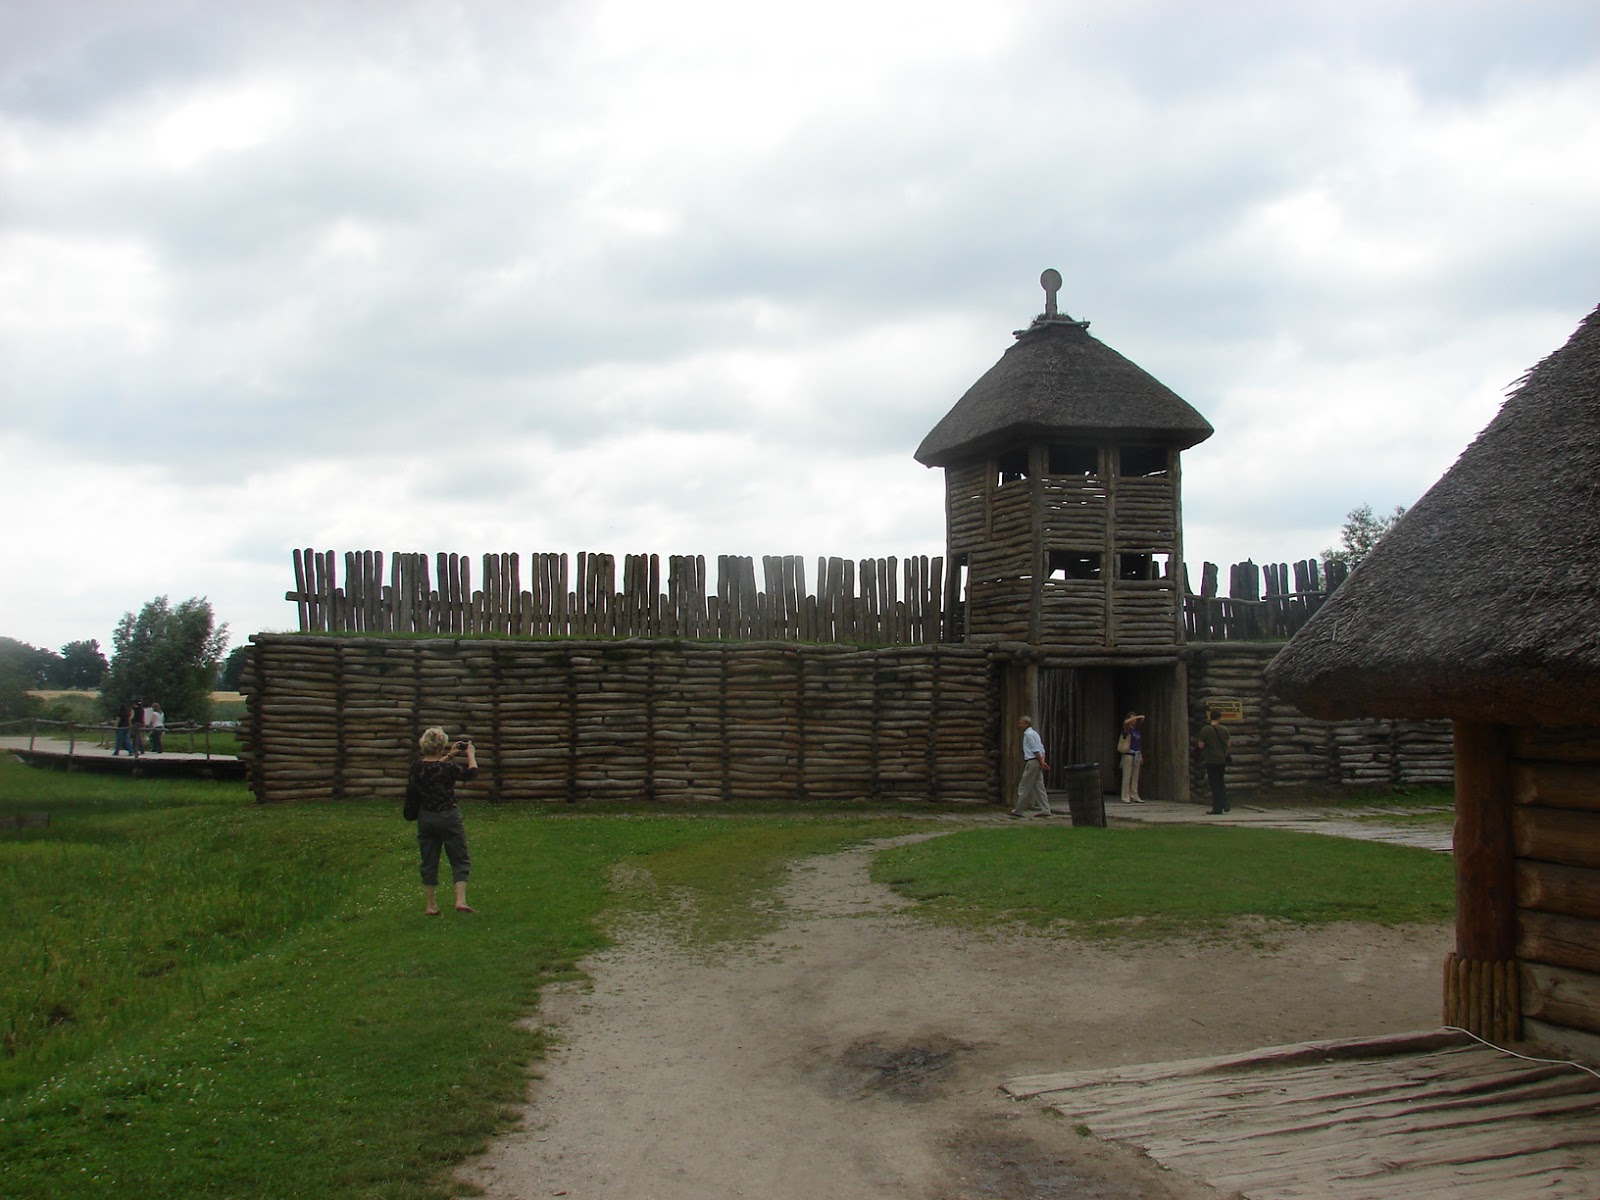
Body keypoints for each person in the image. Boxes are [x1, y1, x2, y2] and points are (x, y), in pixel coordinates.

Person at [409, 727, 478, 915]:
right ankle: (460, 900)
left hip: (426, 816)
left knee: (429, 859)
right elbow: (470, 774)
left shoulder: (417, 767)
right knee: (459, 857)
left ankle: (431, 905)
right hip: (448, 815)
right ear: (441, 745)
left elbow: (432, 768)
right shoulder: (448, 769)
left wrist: (449, 755)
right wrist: (470, 754)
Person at [1009, 715, 1053, 818]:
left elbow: (1035, 750)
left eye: (1021, 723)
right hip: (1038, 761)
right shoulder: (1035, 734)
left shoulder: (1028, 734)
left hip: (1032, 762)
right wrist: (1042, 761)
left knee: (1024, 786)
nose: (1019, 725)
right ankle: (1046, 809)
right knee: (1039, 787)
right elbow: (1042, 749)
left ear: (1026, 723)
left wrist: (1041, 763)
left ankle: (1018, 811)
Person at [1196, 709, 1232, 814]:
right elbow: (1229, 744)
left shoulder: (1205, 730)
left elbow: (1200, 745)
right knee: (1221, 782)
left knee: (1214, 784)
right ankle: (1225, 804)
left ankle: (1217, 808)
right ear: (1219, 718)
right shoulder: (1224, 729)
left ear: (1210, 717)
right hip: (1222, 760)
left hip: (1211, 760)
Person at [1118, 712, 1145, 804]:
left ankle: (1134, 795)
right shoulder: (1127, 730)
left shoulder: (1136, 731)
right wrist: (1137, 716)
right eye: (1132, 719)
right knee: (1127, 776)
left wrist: (1140, 756)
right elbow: (1125, 722)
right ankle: (1125, 796)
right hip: (1128, 755)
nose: (1135, 720)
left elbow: (1138, 744)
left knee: (1135, 777)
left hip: (1136, 755)